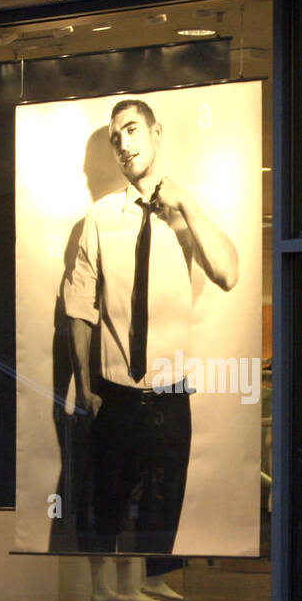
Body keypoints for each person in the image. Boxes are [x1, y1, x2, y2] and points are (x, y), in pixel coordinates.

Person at [63, 97, 238, 558]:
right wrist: (85, 388)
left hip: (170, 394)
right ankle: (103, 592)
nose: (123, 143)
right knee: (102, 514)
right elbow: (79, 307)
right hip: (114, 395)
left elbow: (227, 275)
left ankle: (152, 589)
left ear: (156, 132)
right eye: (114, 138)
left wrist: (185, 204)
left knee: (162, 518)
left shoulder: (191, 212)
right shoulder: (101, 217)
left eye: (132, 129)